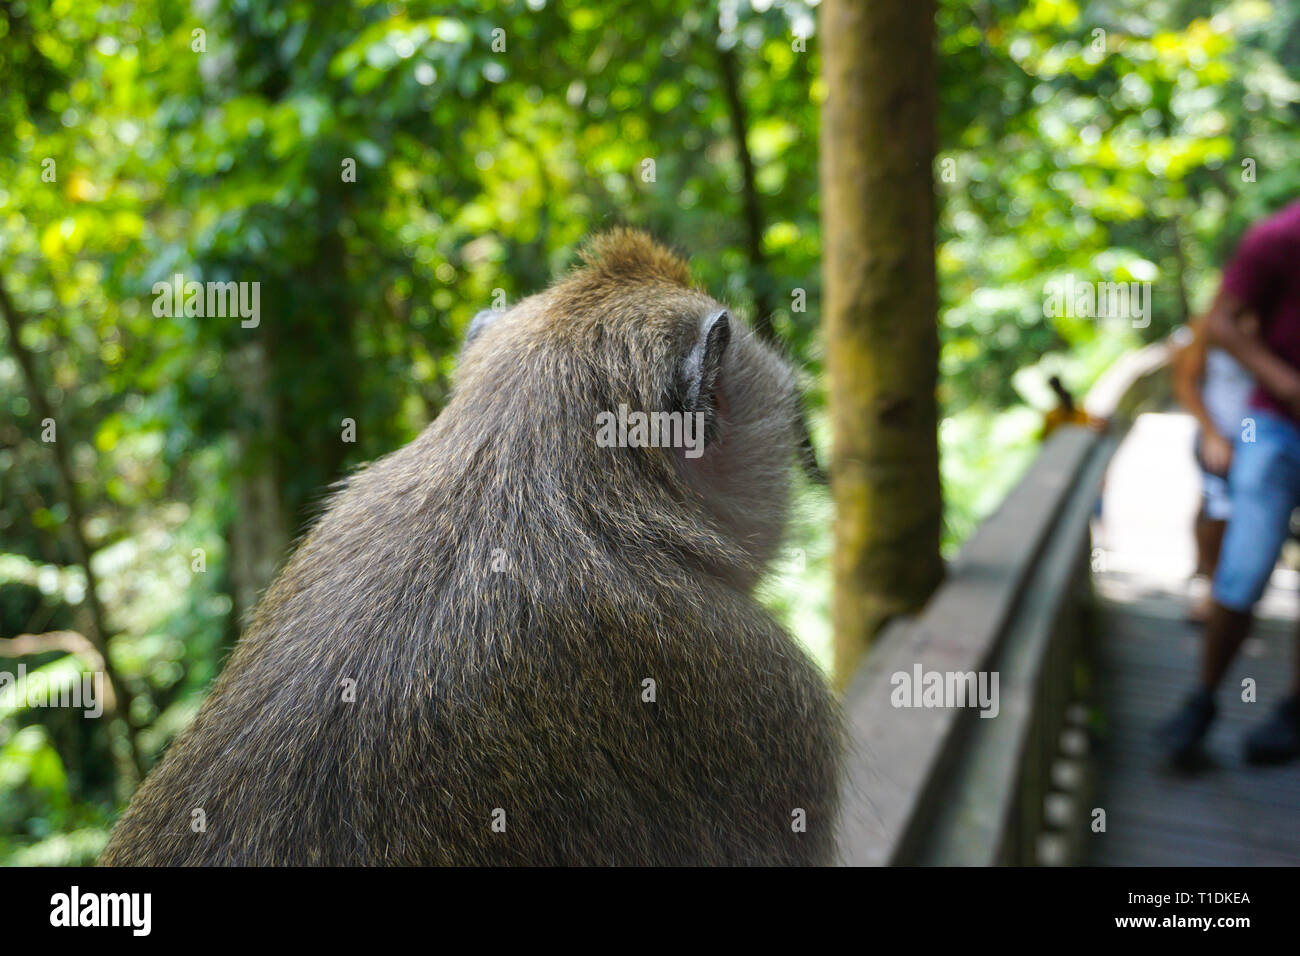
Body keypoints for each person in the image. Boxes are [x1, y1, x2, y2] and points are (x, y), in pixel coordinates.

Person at [1158, 199, 1300, 766]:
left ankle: (1290, 712)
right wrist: (1285, 384)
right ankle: (1203, 698)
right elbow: (1213, 328)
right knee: (1245, 561)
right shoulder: (1279, 237)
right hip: (1271, 424)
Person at [1170, 316, 1256, 621]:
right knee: (1217, 509)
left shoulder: (1278, 324)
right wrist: (1211, 434)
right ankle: (1213, 591)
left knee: (1242, 514)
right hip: (1219, 432)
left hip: (1255, 434)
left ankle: (1231, 594)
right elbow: (1185, 380)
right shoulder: (1209, 327)